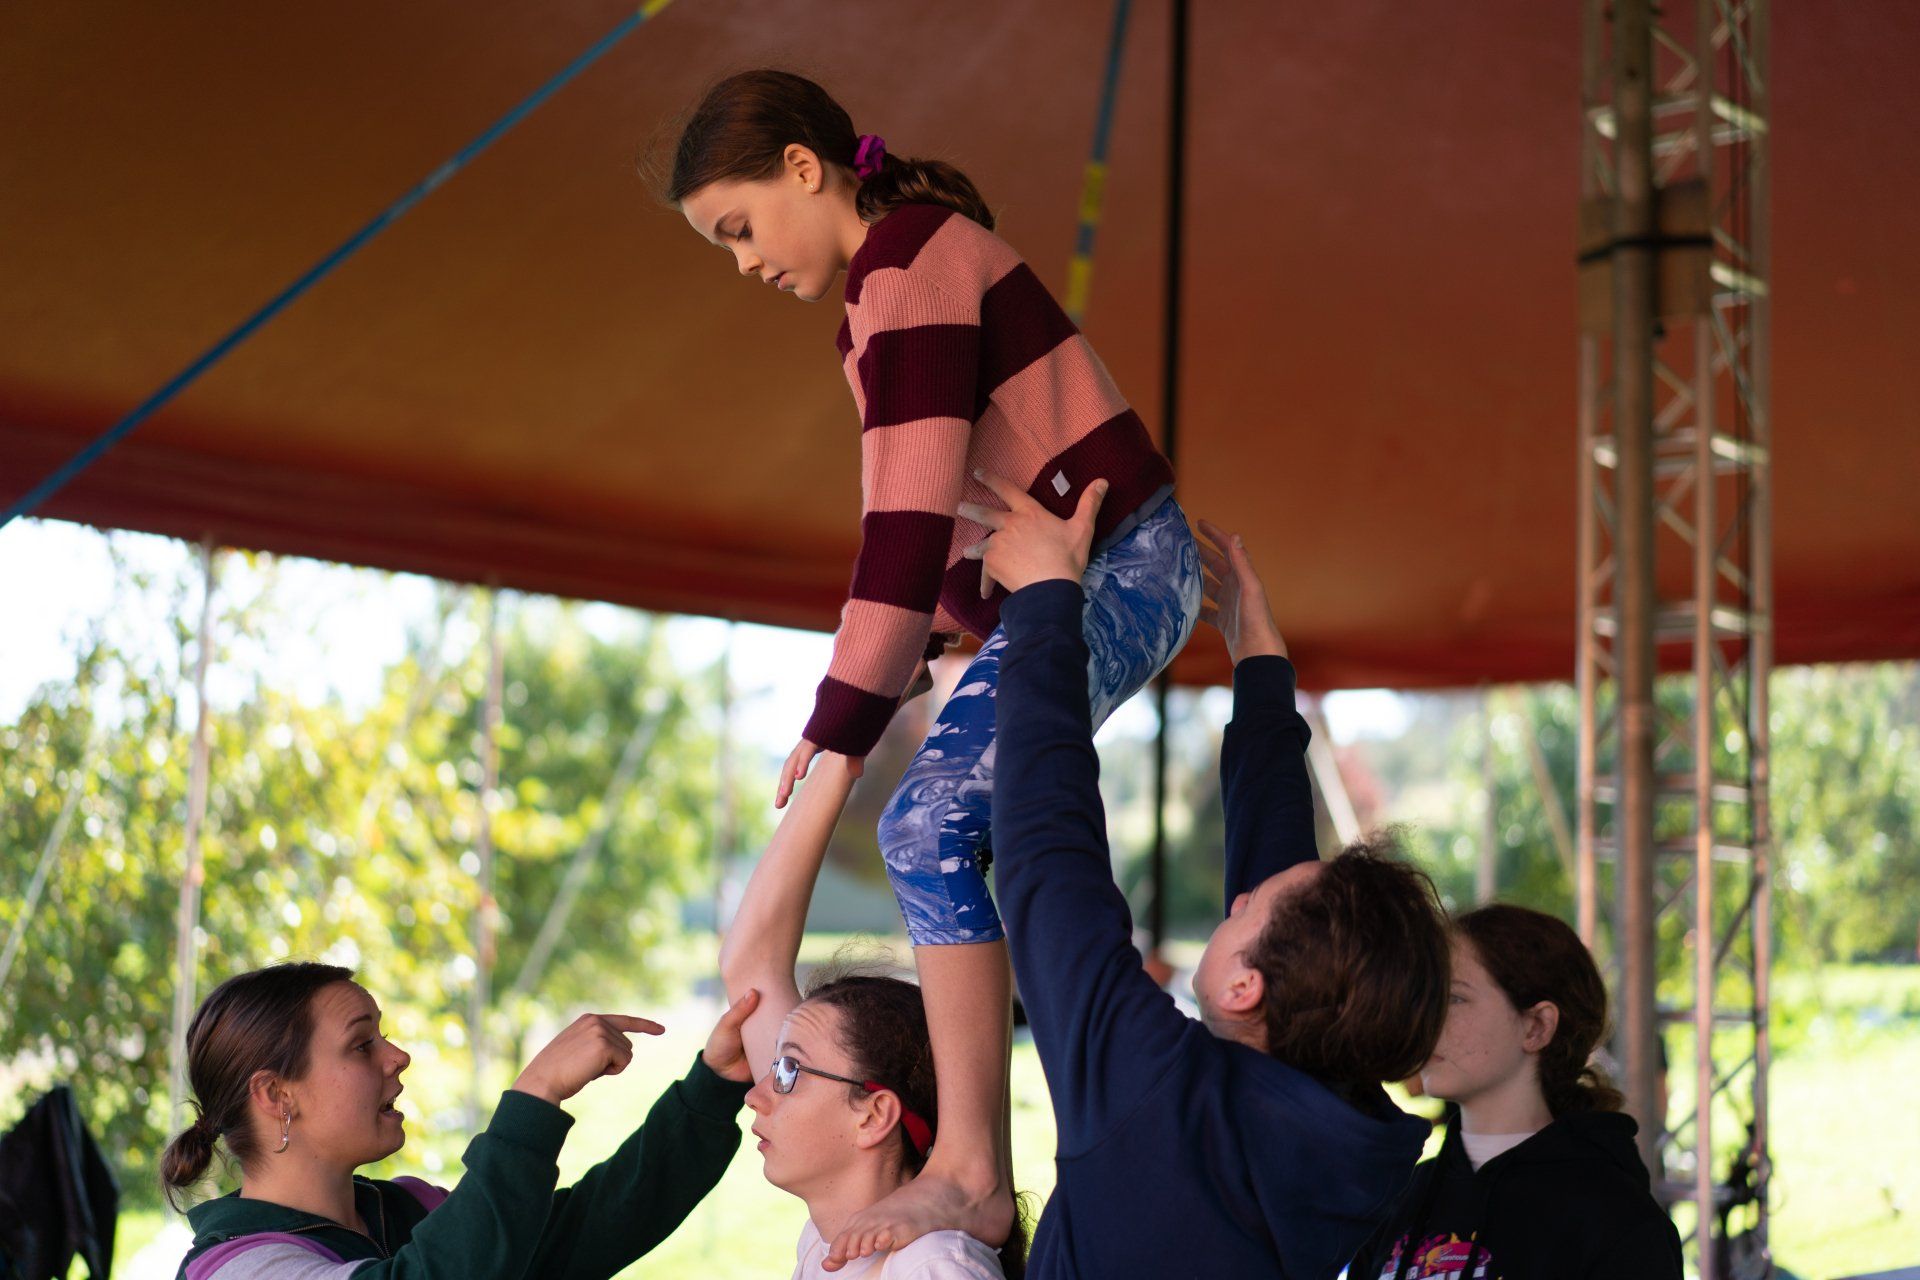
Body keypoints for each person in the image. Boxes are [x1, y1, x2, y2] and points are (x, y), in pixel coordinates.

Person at [665, 69, 1200, 1262]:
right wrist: (928, 651)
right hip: (1076, 579)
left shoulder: (910, 262)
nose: (743, 261)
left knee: (927, 823)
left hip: (1121, 564)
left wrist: (845, 711)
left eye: (740, 226)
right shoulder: (881, 296)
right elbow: (948, 523)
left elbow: (903, 532)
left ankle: (970, 1169)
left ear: (804, 168)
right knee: (946, 827)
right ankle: (976, 1159)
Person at [973, 476, 1452, 1277]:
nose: (1240, 892)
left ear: (1244, 990)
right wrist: (1261, 669)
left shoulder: (1156, 1102)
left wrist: (1046, 605)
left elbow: (1050, 864)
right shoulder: (1345, 1147)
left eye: (1248, 909)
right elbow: (1292, 918)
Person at [165, 961, 759, 1279]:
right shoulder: (239, 1268)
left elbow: (588, 1229)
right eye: (362, 1045)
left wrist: (714, 1085)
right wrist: (534, 1097)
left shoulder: (408, 1209)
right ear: (276, 1094)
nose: (397, 1057)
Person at [719, 743, 1015, 1278]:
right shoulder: (829, 1241)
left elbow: (753, 964)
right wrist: (844, 746)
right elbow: (751, 963)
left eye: (788, 1071)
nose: (754, 1095)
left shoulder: (931, 1266)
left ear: (875, 1115)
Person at [1346, 905, 1684, 1279]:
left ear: (1537, 1026)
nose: (1425, 1019)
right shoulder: (1399, 1198)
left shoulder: (1615, 1218)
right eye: (1424, 997)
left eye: (1454, 998)